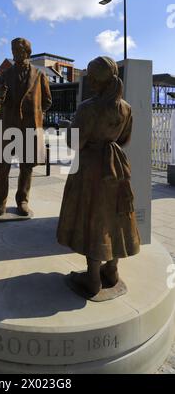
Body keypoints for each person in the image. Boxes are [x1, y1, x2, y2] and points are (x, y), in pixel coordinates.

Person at [57, 56, 140, 296]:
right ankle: (112, 269)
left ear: (98, 79)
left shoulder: (88, 108)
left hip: (91, 167)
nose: (90, 81)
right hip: (117, 166)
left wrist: (71, 128)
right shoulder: (125, 107)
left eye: (92, 76)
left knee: (92, 216)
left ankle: (93, 278)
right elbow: (124, 139)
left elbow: (74, 142)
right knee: (116, 216)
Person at [0, 37, 52, 220]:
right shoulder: (5, 74)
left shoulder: (39, 74)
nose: (15, 54)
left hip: (29, 127)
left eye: (18, 51)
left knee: (26, 167)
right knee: (1, 167)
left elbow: (47, 101)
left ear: (27, 52)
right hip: (9, 125)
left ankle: (22, 201)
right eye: (13, 50)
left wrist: (35, 114)